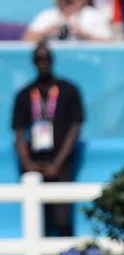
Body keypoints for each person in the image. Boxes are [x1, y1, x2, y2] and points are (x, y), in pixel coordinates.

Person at [11, 41, 85, 238]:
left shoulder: (69, 90)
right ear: (33, 62)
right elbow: (18, 132)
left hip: (61, 165)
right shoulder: (24, 94)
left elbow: (75, 128)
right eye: (38, 59)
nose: (43, 63)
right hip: (34, 164)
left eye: (46, 59)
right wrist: (27, 163)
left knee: (62, 220)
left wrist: (58, 163)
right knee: (36, 223)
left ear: (52, 61)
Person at [22, 0, 112, 42]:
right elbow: (25, 42)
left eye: (72, 0)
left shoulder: (93, 16)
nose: (68, 3)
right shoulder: (47, 16)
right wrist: (46, 33)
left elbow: (110, 44)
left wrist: (84, 35)